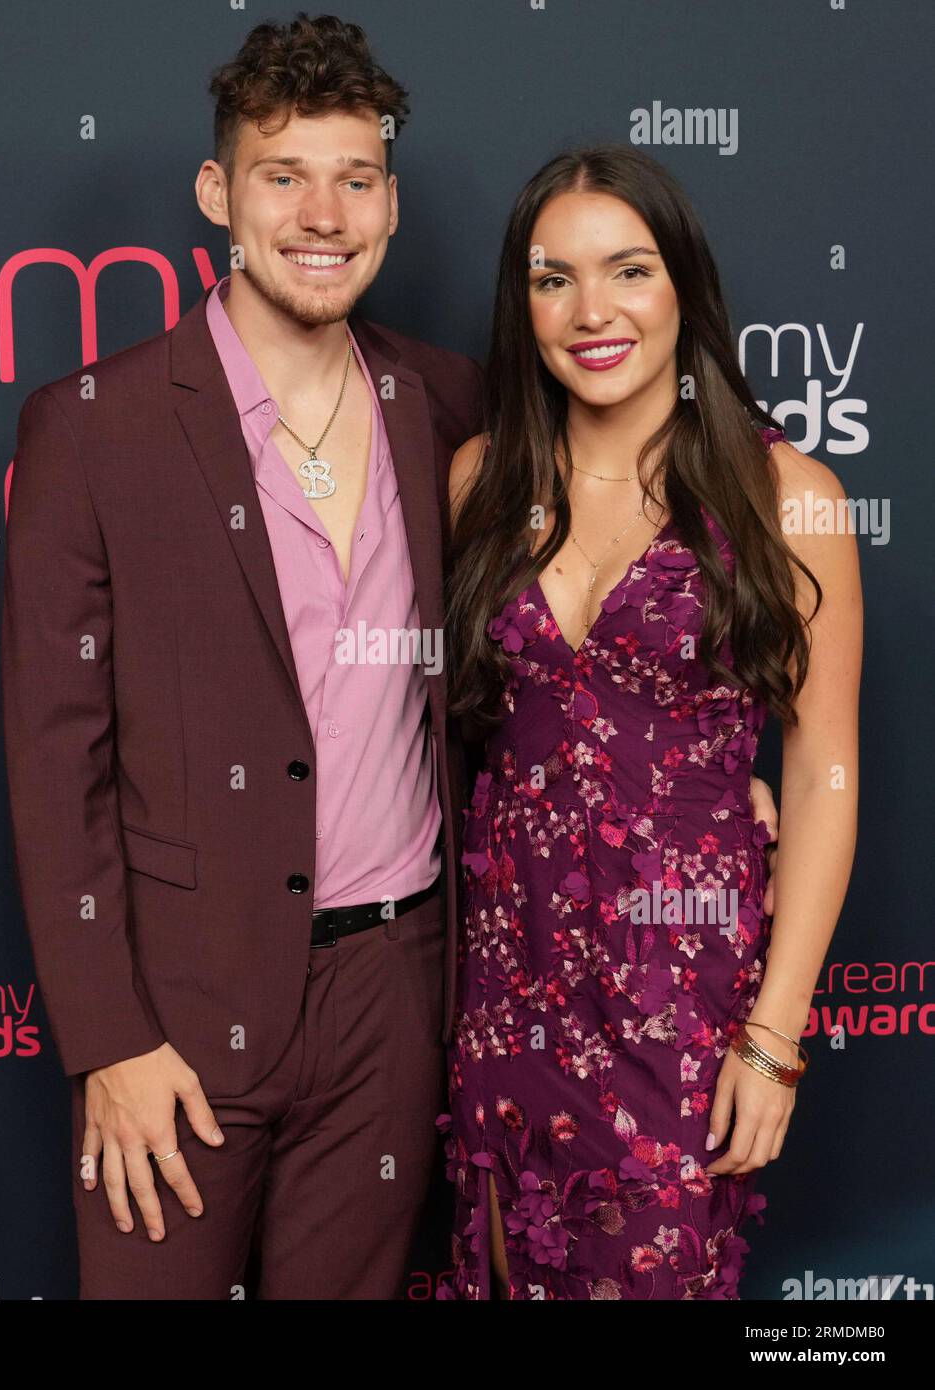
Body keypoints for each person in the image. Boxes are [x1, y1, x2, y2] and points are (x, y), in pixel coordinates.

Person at [0, 14, 484, 1299]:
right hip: (175, 1002)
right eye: (284, 176)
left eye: (356, 179)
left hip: (393, 993)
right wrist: (107, 1039)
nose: (322, 215)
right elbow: (53, 764)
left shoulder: (449, 405)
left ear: (390, 206)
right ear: (218, 193)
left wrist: (704, 760)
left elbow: (636, 479)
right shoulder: (89, 430)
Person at [439, 145, 860, 1300]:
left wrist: (772, 1036)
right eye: (553, 278)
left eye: (627, 269)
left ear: (682, 284)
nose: (592, 311)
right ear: (522, 303)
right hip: (508, 987)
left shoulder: (787, 499)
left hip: (680, 990)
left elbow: (821, 772)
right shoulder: (479, 481)